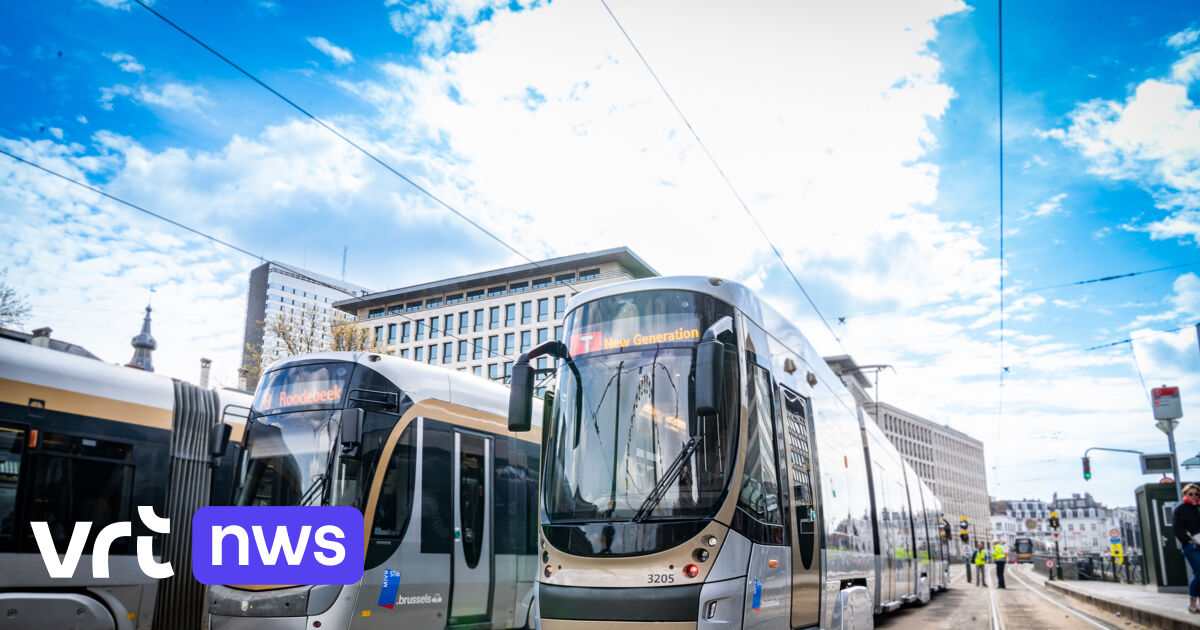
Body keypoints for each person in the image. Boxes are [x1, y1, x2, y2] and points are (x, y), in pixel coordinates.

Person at [1174, 483, 1200, 613]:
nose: (1194, 496)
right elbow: (1177, 527)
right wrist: (1187, 540)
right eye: (1191, 494)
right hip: (1192, 546)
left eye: (1196, 494)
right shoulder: (1181, 509)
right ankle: (1192, 602)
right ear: (1185, 494)